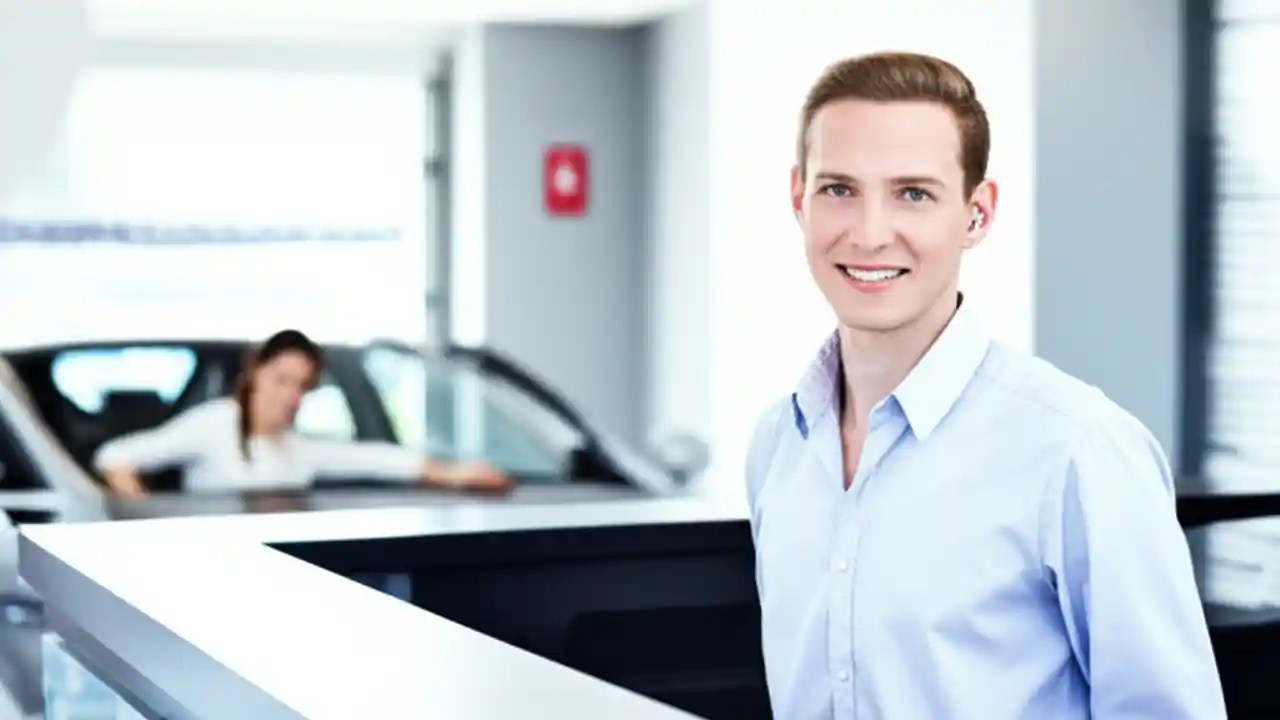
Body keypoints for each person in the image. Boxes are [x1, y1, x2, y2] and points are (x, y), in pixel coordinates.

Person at [744, 52, 1225, 719]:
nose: (871, 232)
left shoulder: (1077, 451)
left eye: (913, 193)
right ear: (799, 198)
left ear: (976, 214)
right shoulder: (779, 445)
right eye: (839, 189)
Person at [95, 329, 512, 497]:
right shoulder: (215, 423)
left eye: (302, 386)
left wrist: (458, 474)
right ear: (255, 372)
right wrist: (147, 524)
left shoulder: (296, 449)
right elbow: (115, 457)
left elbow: (379, 460)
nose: (291, 396)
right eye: (281, 380)